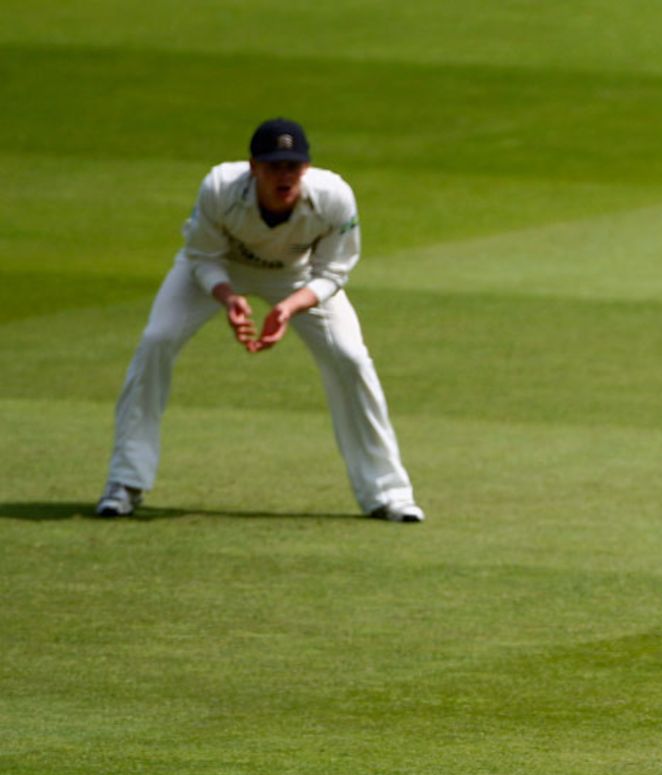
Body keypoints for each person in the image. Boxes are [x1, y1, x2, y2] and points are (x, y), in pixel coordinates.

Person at [95, 118, 422, 522]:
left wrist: (288, 307)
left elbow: (334, 272)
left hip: (297, 277)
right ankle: (124, 482)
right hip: (222, 267)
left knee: (351, 359)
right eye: (273, 166)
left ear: (306, 167)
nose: (284, 175)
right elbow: (202, 257)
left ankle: (388, 494)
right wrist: (228, 297)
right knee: (157, 339)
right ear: (254, 167)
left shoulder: (335, 196)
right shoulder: (219, 188)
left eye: (293, 166)